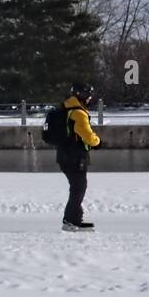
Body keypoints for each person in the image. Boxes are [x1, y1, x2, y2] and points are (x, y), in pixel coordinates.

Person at [57, 80, 100, 231]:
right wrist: (97, 142)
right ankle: (70, 221)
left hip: (65, 155)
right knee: (79, 188)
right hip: (74, 157)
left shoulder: (66, 107)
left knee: (77, 187)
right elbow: (87, 135)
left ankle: (74, 219)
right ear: (82, 95)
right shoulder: (79, 113)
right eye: (89, 96)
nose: (90, 99)